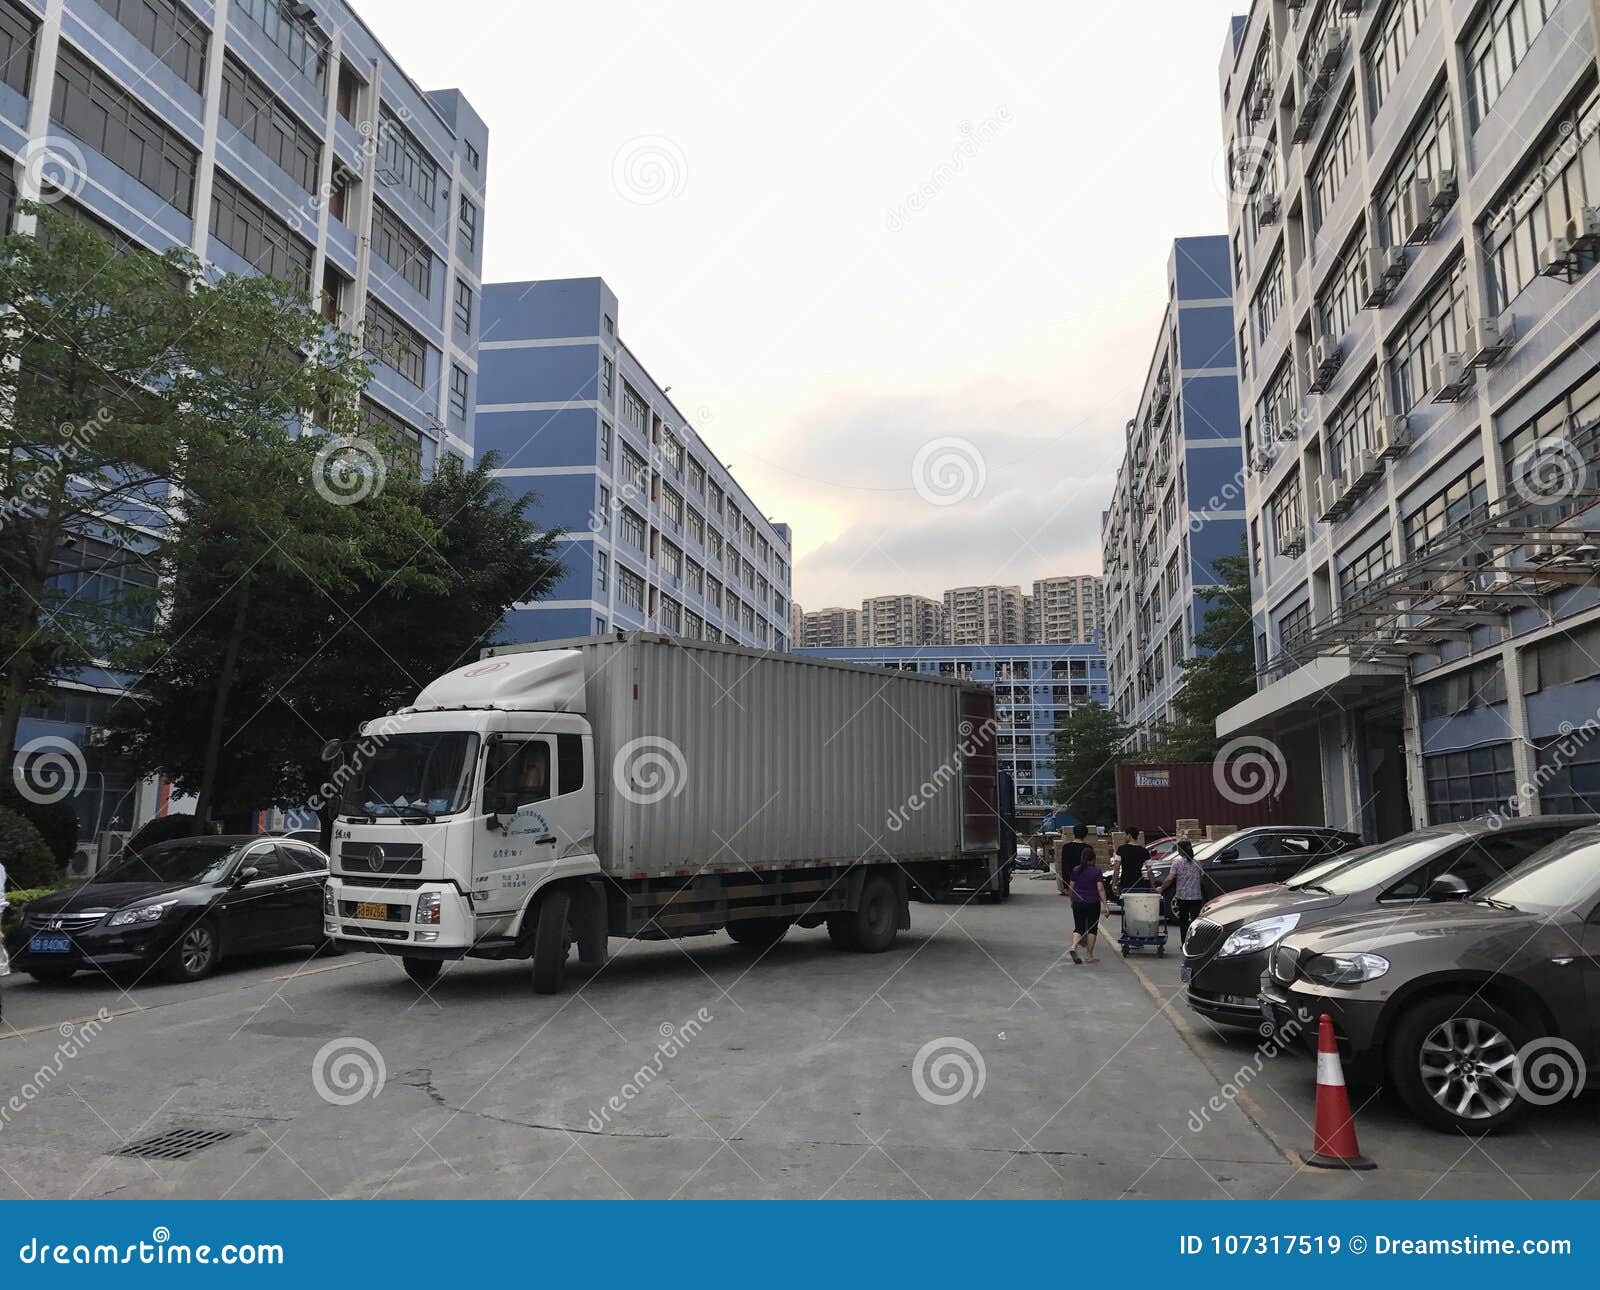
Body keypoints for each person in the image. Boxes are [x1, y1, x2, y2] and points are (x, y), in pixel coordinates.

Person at [1066, 837, 1107, 964]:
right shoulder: (1096, 871)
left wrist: (1072, 900)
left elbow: (1071, 888)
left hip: (1078, 902)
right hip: (1092, 903)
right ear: (1093, 859)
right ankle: (1089, 955)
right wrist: (1106, 905)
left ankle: (1073, 947)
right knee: (1092, 929)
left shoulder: (1076, 870)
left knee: (1078, 927)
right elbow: (1100, 888)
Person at [1157, 837, 1206, 942]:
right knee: (1195, 921)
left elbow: (1170, 878)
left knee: (1183, 921)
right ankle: (1195, 942)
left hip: (1182, 896)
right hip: (1196, 896)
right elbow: (1201, 877)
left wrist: (1161, 888)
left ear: (1180, 850)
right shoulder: (1198, 863)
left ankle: (1184, 942)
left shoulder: (1177, 862)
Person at [1113, 827, 1151, 899]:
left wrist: (1114, 884)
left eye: (1125, 835)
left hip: (1125, 883)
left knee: (1127, 906)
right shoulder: (1144, 851)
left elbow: (1116, 868)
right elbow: (1149, 870)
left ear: (1129, 836)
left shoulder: (1121, 849)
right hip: (1139, 883)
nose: (1124, 837)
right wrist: (1152, 886)